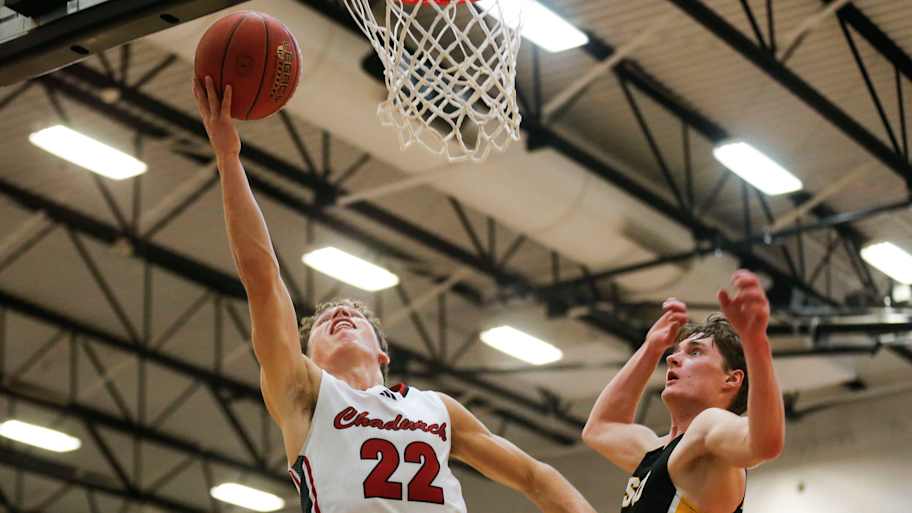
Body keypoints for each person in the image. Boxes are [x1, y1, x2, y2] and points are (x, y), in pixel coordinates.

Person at [192, 76, 597, 513]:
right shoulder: (304, 391)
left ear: (383, 354)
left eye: (354, 317)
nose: (340, 316)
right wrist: (228, 157)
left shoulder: (437, 409)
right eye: (326, 322)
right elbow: (262, 279)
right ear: (308, 356)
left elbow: (535, 476)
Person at [582, 270, 785, 513]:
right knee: (544, 477)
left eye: (695, 352)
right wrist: (651, 347)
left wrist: (756, 342)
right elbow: (600, 428)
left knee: (543, 477)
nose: (672, 359)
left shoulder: (710, 427)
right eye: (676, 351)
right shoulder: (656, 450)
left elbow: (765, 445)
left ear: (731, 379)